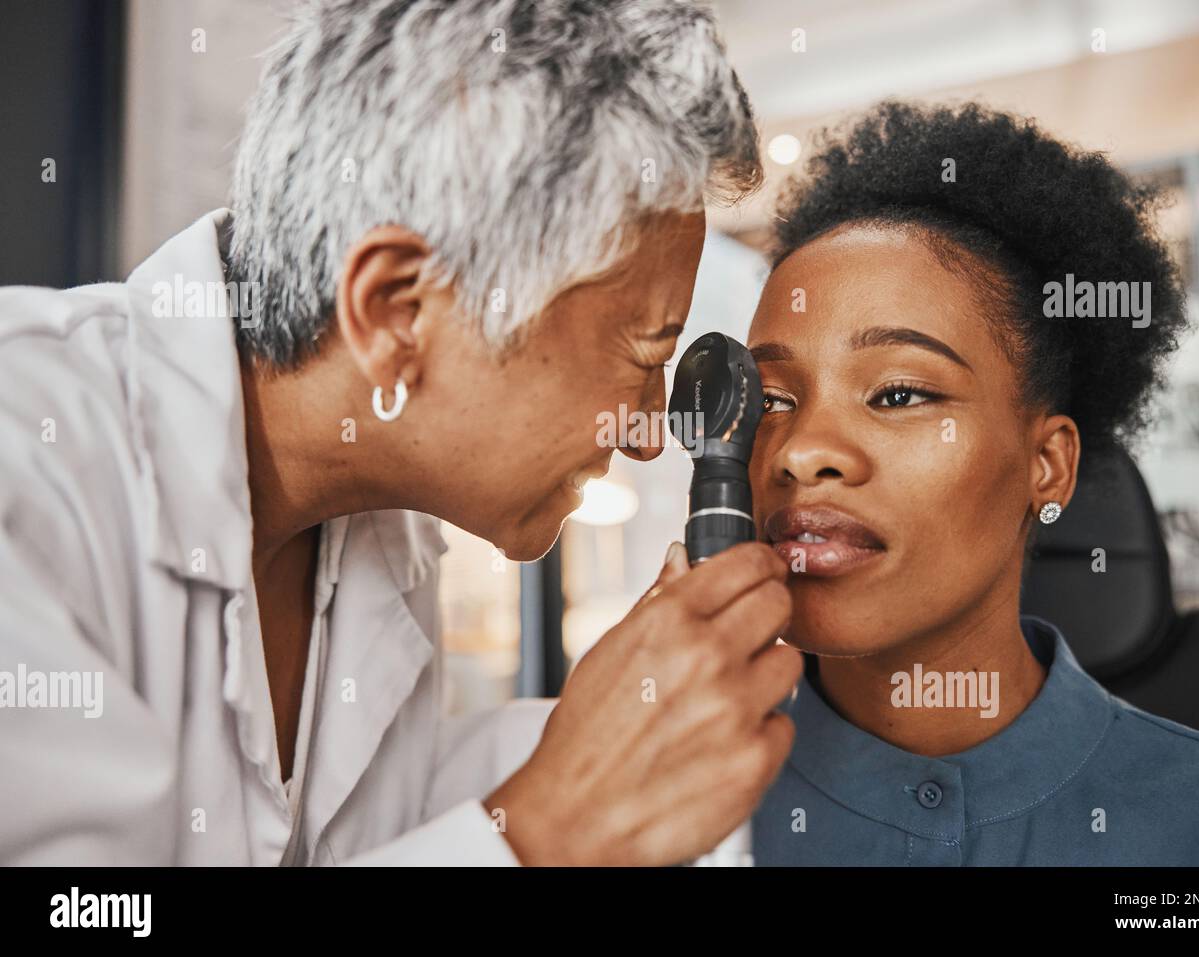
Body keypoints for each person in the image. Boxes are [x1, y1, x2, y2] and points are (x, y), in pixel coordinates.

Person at [0, 0, 802, 866]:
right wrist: (541, 829)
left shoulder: (380, 536)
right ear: (396, 312)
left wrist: (638, 726)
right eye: (645, 350)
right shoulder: (26, 459)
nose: (648, 433)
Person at [744, 101, 1199, 865]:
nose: (799, 452)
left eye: (900, 393)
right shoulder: (656, 810)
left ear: (1048, 465)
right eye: (772, 400)